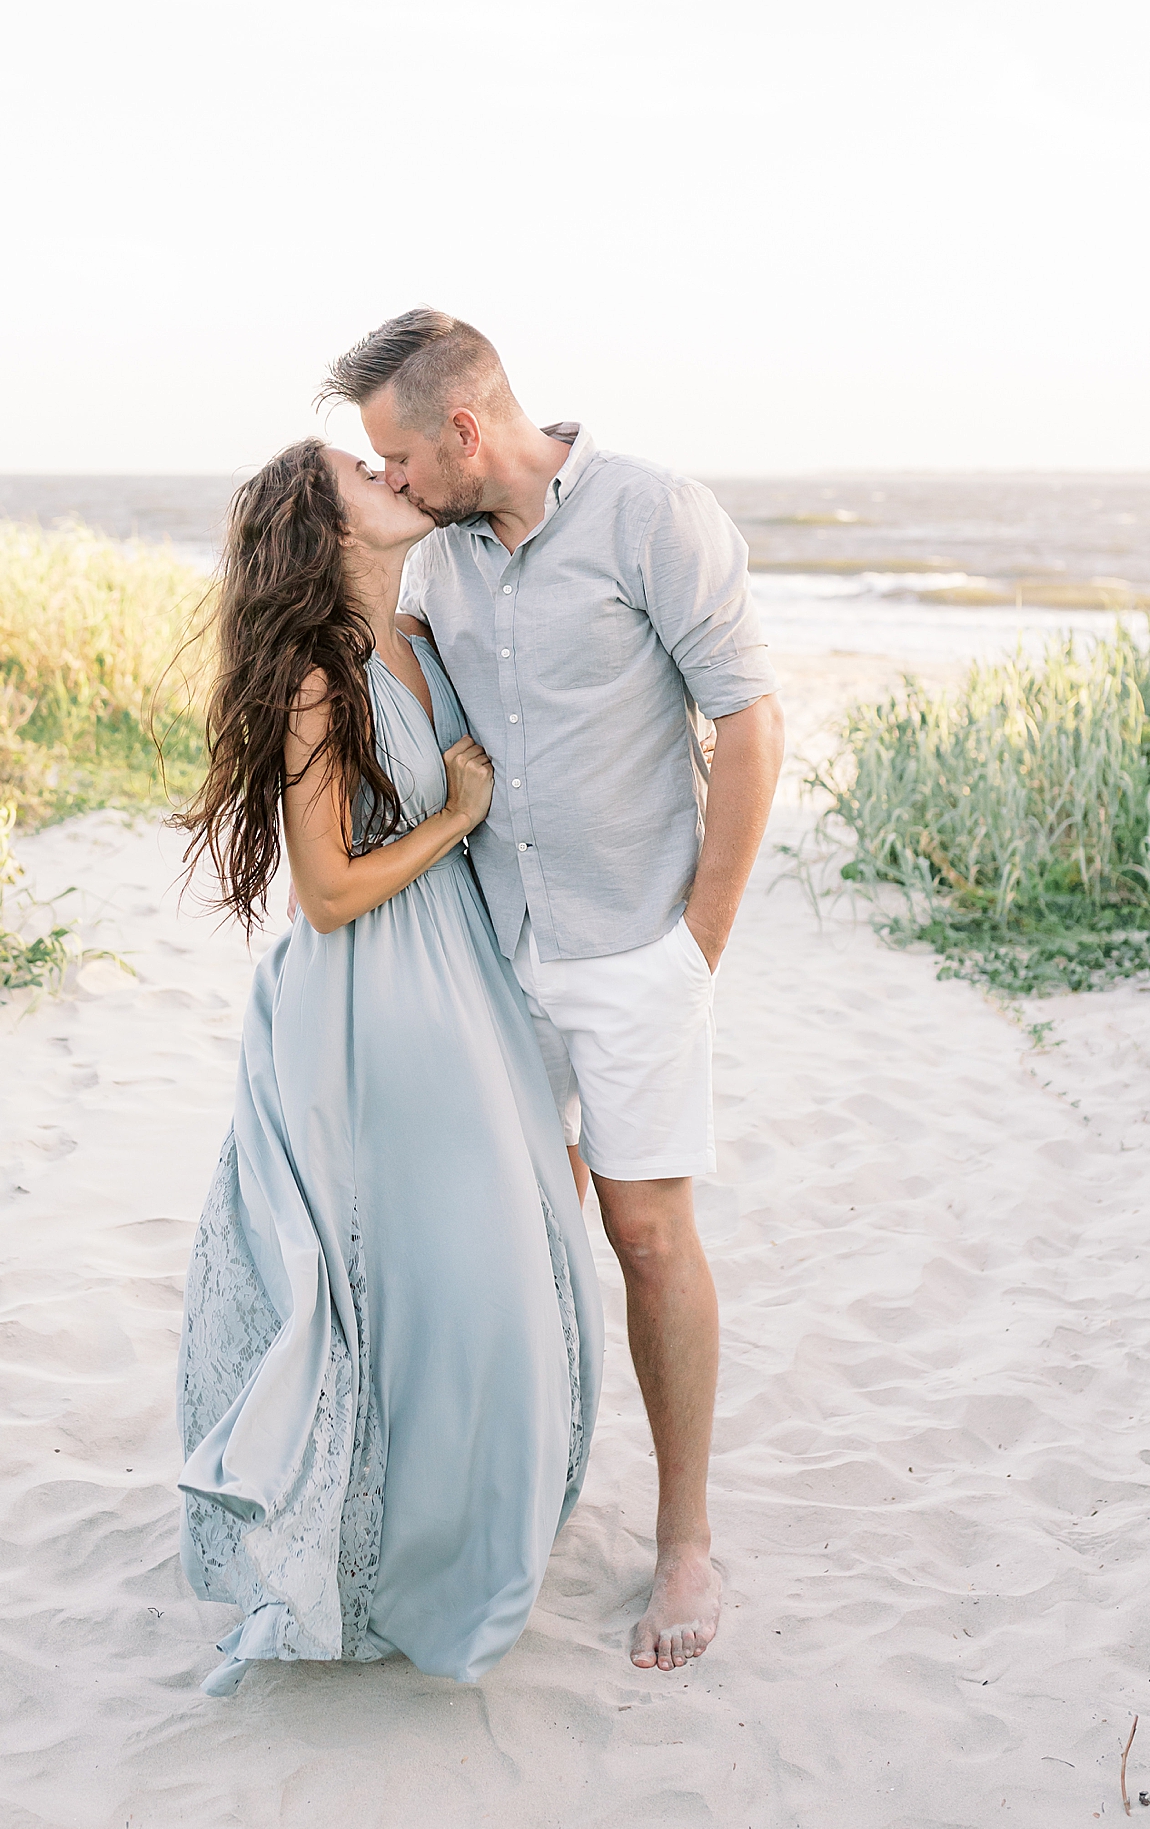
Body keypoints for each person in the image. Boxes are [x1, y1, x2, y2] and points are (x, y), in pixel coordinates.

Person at [317, 309, 786, 1674]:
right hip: (492, 957)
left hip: (637, 951)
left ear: (464, 430)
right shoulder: (430, 564)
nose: (391, 480)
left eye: (398, 456)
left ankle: (684, 1539)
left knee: (645, 1238)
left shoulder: (654, 516)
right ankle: (499, 1509)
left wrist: (696, 945)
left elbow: (749, 725)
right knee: (504, 1240)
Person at [171, 438, 603, 1698]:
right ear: (325, 522)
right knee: (429, 1271)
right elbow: (322, 892)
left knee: (491, 1263)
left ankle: (456, 1540)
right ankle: (386, 1565)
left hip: (460, 980)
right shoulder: (317, 677)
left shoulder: (414, 631)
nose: (389, 470)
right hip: (377, 1000)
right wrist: (453, 820)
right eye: (362, 469)